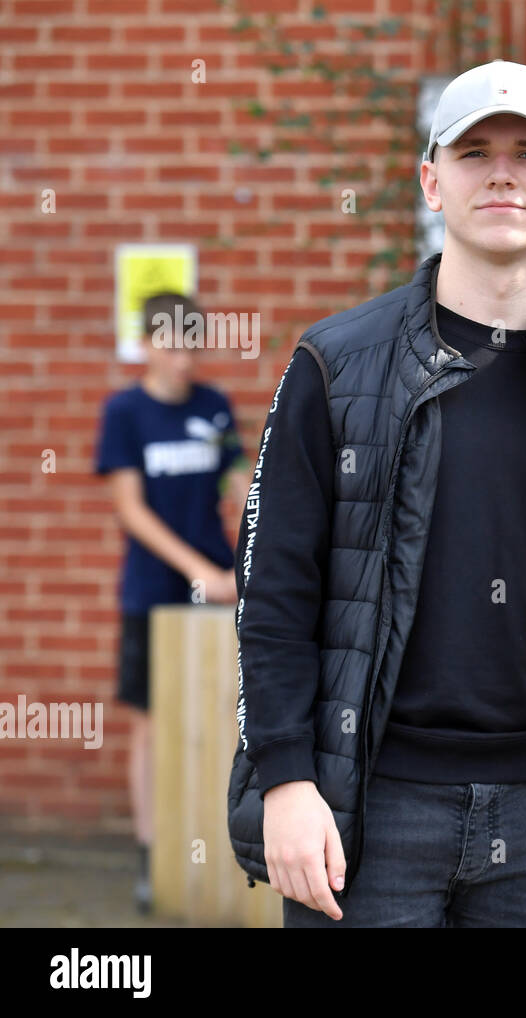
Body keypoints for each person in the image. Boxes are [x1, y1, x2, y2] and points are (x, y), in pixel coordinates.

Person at [226, 59, 526, 928]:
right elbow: (272, 594)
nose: (502, 172)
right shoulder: (336, 364)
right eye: (474, 152)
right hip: (369, 808)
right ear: (432, 179)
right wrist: (284, 780)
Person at [94, 291, 252, 913]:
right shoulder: (125, 412)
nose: (186, 358)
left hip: (220, 581)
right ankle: (151, 852)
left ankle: (211, 843)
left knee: (221, 711)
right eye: (175, 344)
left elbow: (238, 481)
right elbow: (129, 509)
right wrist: (198, 573)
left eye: (195, 345)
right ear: (149, 344)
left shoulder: (214, 407)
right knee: (153, 721)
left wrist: (246, 538)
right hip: (154, 591)